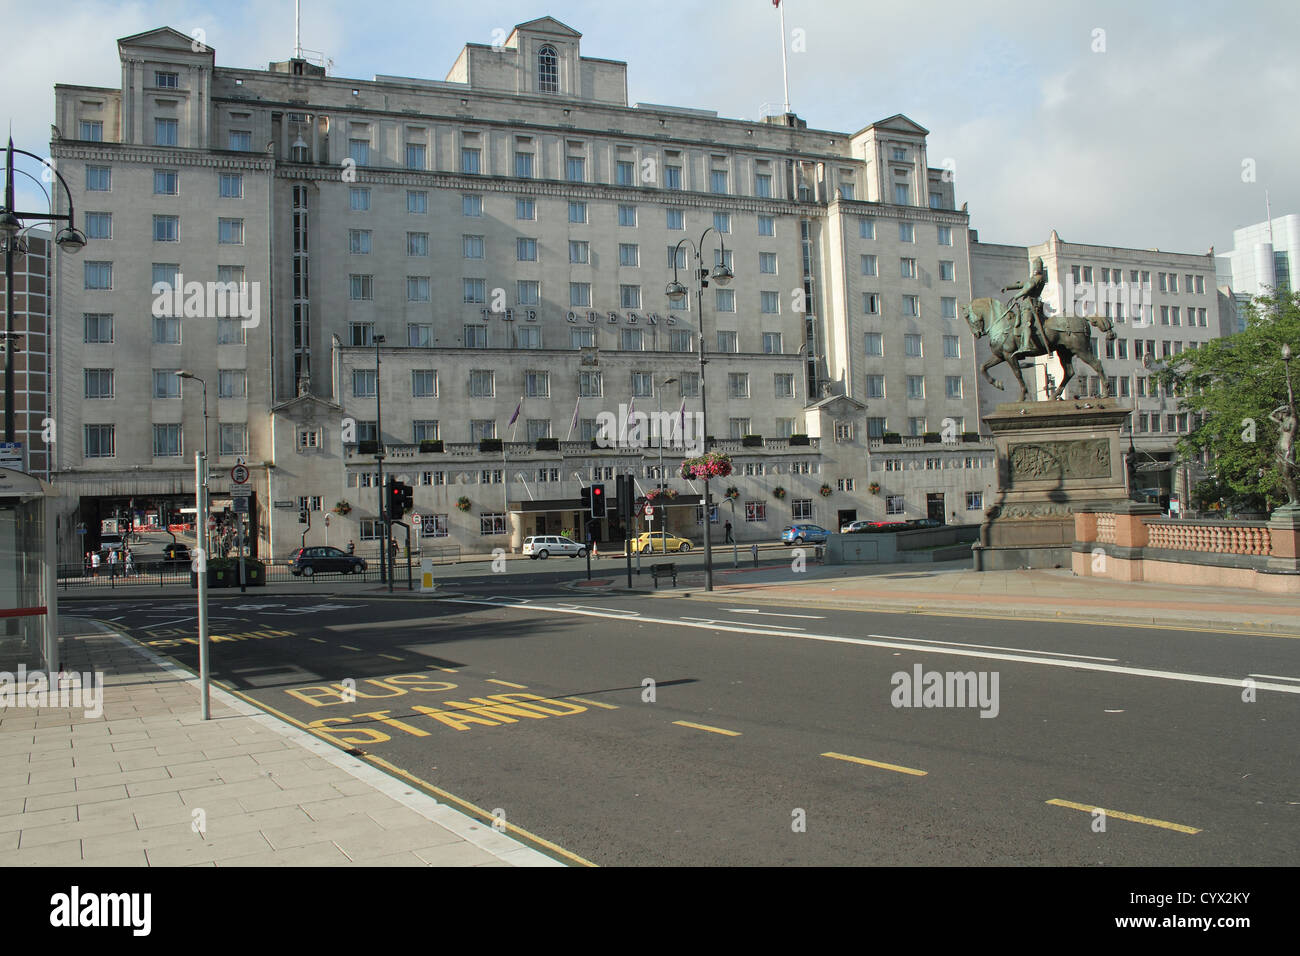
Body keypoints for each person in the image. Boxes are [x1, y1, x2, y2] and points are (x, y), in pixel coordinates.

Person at [1001, 256, 1049, 362]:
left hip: (1030, 305)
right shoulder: (1035, 278)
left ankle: (1026, 345)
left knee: (1026, 323)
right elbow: (1022, 285)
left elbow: (1027, 288)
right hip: (1029, 304)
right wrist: (1008, 287)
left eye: (1036, 266)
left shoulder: (1038, 278)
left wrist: (1016, 296)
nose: (1035, 269)